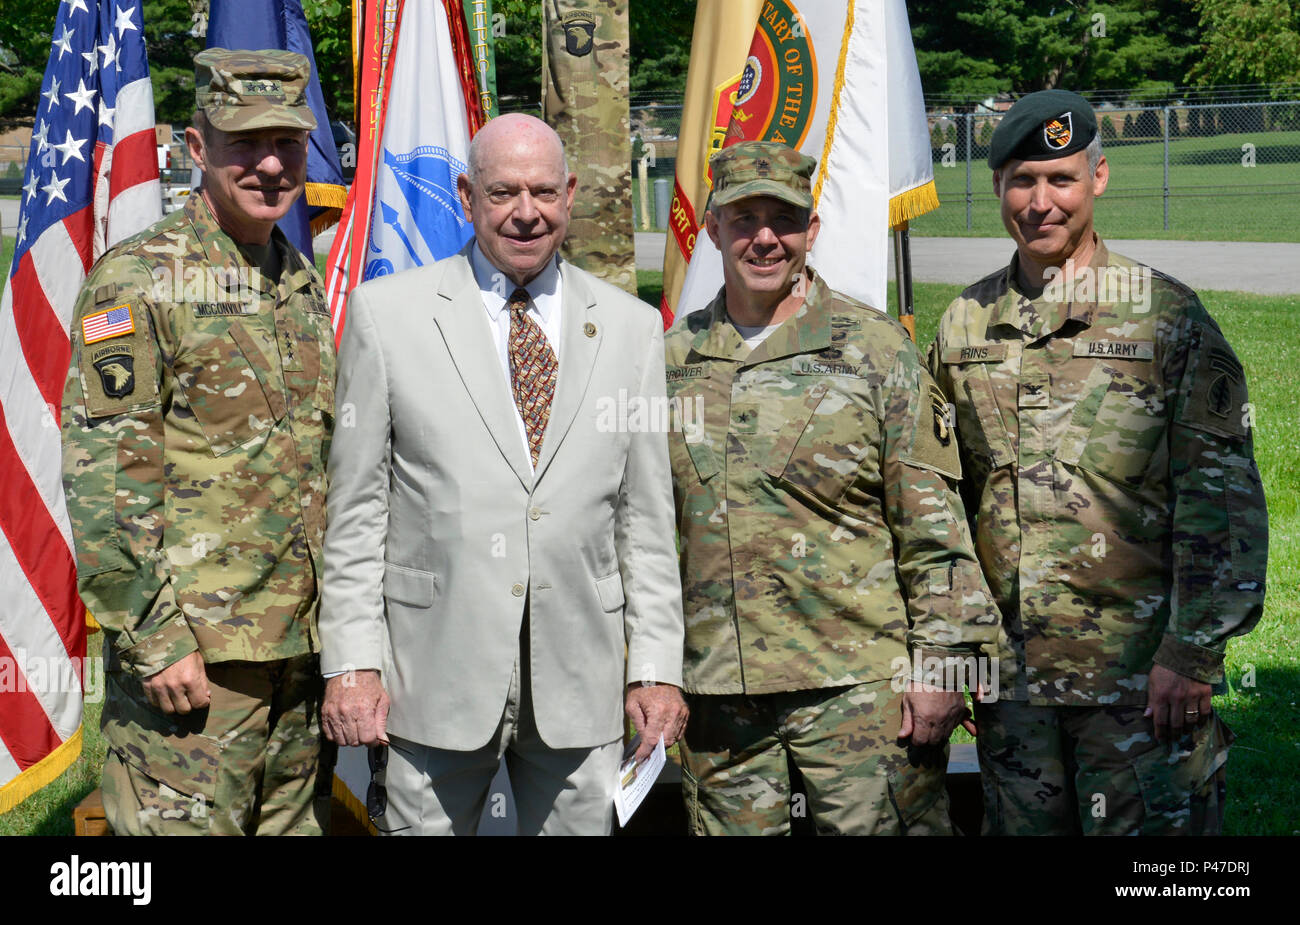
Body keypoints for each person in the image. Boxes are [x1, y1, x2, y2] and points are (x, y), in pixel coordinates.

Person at [318, 113, 688, 836]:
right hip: (433, 677)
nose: (527, 213)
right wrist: (352, 662)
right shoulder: (387, 317)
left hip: (582, 680)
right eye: (504, 192)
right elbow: (357, 511)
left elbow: (645, 520)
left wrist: (653, 666)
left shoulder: (631, 327)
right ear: (466, 194)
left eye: (544, 192)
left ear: (571, 195)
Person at [927, 90, 1268, 835]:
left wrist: (1193, 651)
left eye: (1060, 179)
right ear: (996, 188)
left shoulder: (1166, 318)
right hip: (1013, 692)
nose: (1040, 202)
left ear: (1099, 179)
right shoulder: (964, 326)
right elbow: (941, 506)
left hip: (1142, 685)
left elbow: (1223, 503)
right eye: (1022, 180)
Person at [664, 140, 999, 835]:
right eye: (743, 216)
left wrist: (942, 665)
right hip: (720, 701)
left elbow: (934, 525)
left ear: (810, 230)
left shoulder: (875, 349)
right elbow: (639, 531)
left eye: (783, 219)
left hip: (861, 693)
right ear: (715, 229)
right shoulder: (669, 360)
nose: (764, 237)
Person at [61, 49, 336, 835]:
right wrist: (155, 639)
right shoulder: (138, 281)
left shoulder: (293, 278)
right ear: (196, 147)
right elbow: (106, 481)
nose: (271, 164)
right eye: (245, 143)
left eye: (286, 141)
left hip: (295, 656)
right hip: (193, 673)